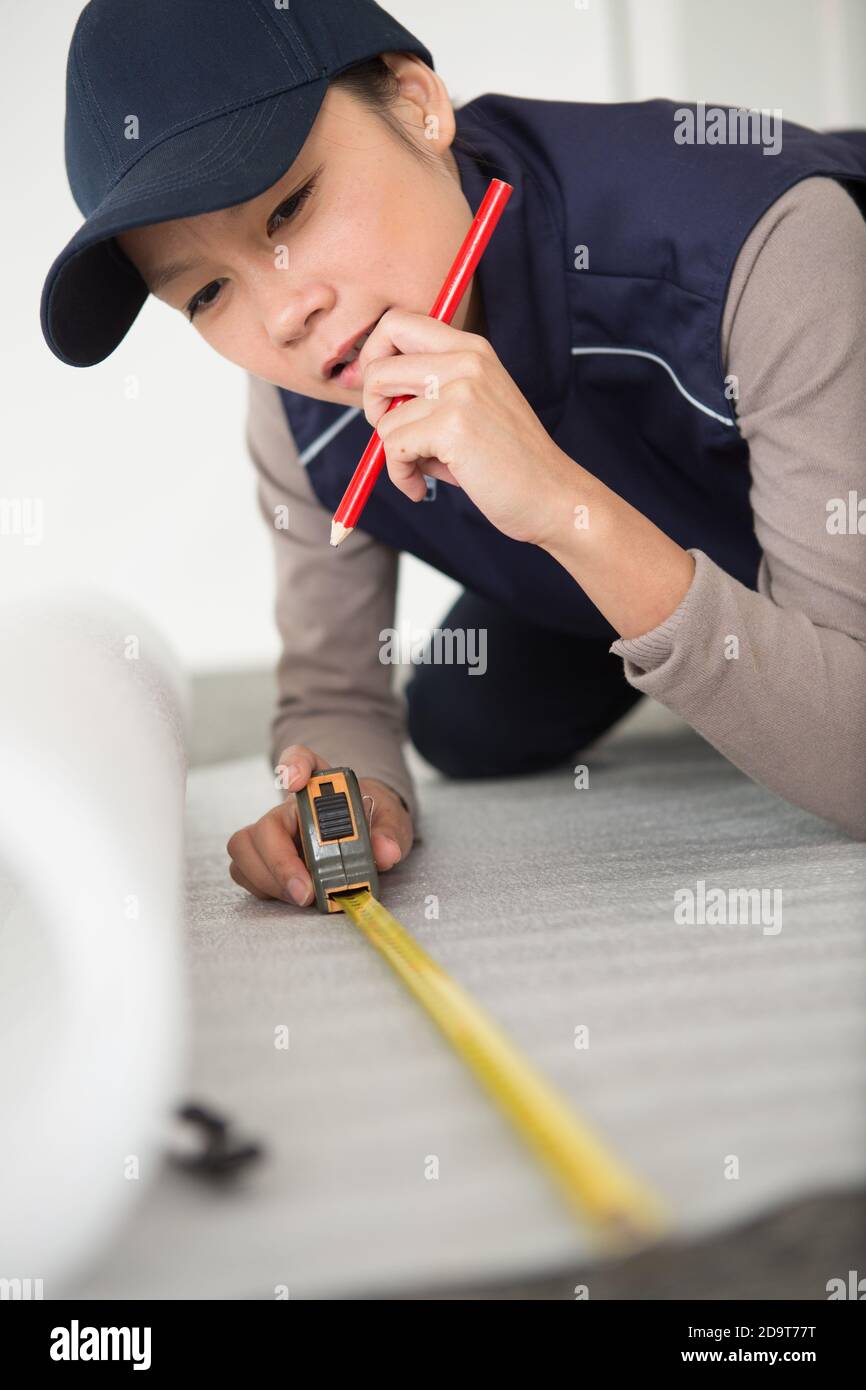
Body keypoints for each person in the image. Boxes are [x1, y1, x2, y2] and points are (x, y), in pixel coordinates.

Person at [41, 1, 866, 911]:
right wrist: (343, 793)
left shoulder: (765, 245)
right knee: (468, 721)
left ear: (418, 102)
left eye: (291, 204)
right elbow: (334, 694)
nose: (283, 316)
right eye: (204, 294)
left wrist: (562, 506)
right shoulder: (303, 405)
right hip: (694, 511)